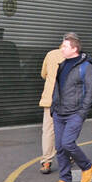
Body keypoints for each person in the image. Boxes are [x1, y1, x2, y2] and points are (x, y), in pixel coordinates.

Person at [48, 32, 92, 182]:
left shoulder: (87, 67)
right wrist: (53, 108)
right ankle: (65, 180)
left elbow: (91, 91)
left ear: (74, 49)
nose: (62, 49)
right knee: (60, 148)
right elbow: (57, 88)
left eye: (65, 46)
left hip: (75, 112)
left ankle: (87, 166)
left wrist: (82, 112)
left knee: (67, 143)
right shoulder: (62, 64)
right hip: (59, 112)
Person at [38, 41, 64, 174]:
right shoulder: (75, 57)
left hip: (50, 98)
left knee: (48, 130)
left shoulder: (51, 54)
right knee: (66, 129)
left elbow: (43, 74)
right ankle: (68, 157)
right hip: (66, 100)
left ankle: (47, 161)